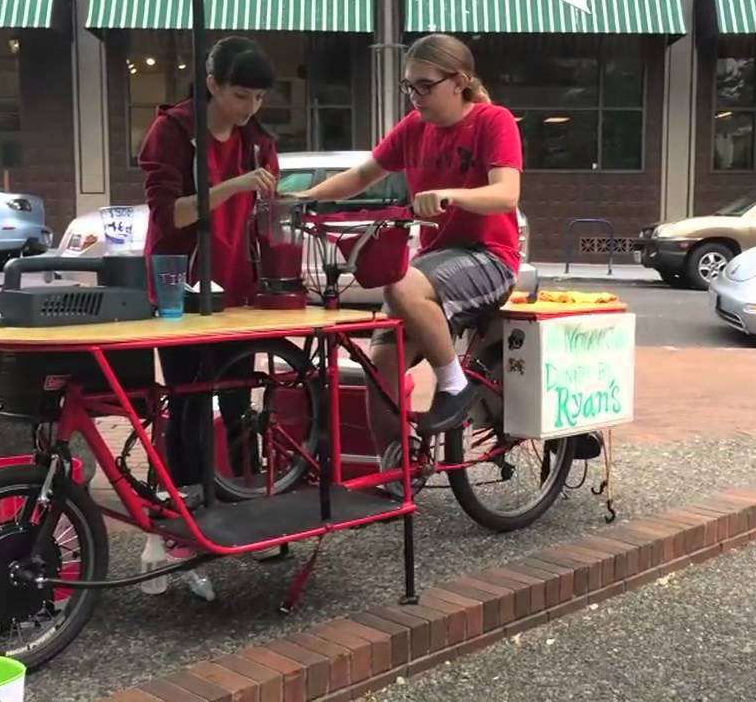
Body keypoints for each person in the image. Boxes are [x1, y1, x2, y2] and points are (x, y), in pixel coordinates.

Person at [297, 33, 523, 463]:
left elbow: (507, 195)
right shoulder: (414, 129)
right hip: (435, 265)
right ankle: (396, 468)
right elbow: (362, 175)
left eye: (425, 85)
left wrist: (449, 194)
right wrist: (304, 200)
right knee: (378, 368)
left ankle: (453, 384)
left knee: (397, 284)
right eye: (409, 86)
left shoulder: (494, 122)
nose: (415, 96)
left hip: (490, 257)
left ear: (458, 82)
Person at [137, 36, 283, 564]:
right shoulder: (172, 131)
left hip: (240, 289)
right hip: (181, 289)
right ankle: (189, 517)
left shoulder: (259, 141)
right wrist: (234, 184)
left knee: (241, 397)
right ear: (212, 84)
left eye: (260, 98)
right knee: (189, 399)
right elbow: (169, 215)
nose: (251, 108)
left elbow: (269, 219)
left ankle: (246, 512)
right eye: (241, 95)